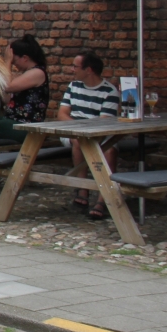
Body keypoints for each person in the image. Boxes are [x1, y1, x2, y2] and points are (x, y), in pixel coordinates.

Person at [58, 49, 120, 219]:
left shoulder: (109, 92)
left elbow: (103, 123)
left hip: (100, 134)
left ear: (89, 70)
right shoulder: (73, 86)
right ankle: (83, 188)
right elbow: (62, 114)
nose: (72, 69)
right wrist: (78, 129)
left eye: (75, 66)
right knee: (79, 141)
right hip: (74, 132)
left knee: (110, 151)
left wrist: (85, 130)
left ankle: (104, 198)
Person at [0, 35, 50, 143]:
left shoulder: (37, 73)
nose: (14, 65)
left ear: (25, 58)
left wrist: (7, 61)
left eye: (15, 61)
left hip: (26, 126)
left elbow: (7, 86)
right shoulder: (26, 74)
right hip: (12, 120)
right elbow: (6, 98)